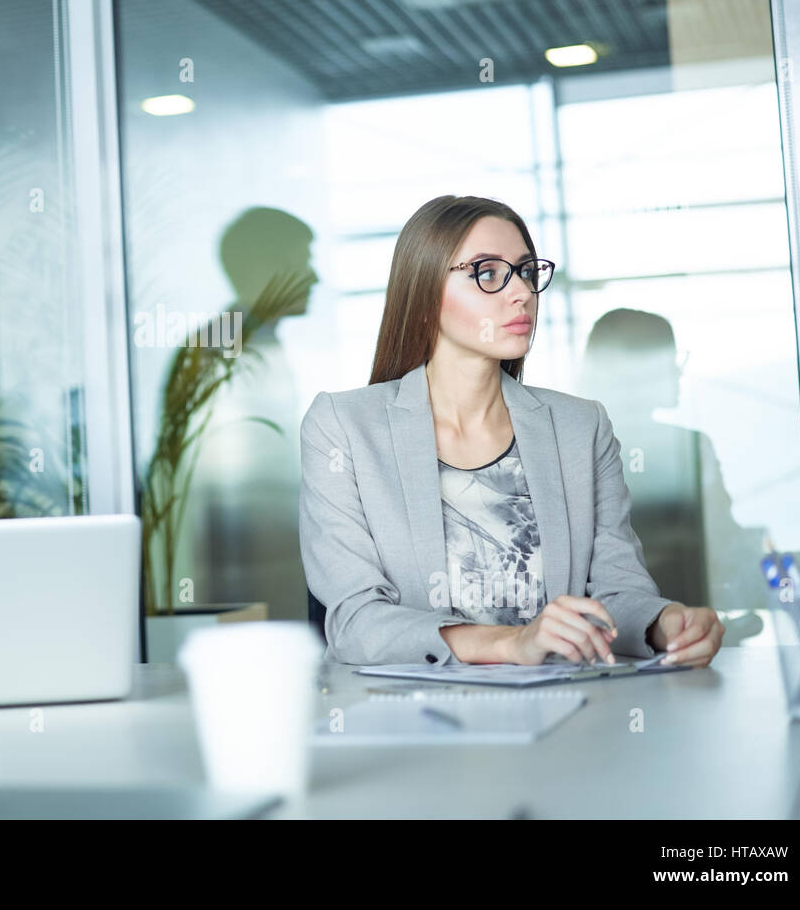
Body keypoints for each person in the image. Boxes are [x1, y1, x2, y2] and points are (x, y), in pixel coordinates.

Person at [298, 194, 724, 668]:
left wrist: (666, 624)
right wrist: (511, 644)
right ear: (422, 293)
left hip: (565, 713)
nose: (520, 291)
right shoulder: (343, 427)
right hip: (416, 718)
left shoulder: (581, 427)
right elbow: (355, 623)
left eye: (525, 271)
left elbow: (617, 592)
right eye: (487, 273)